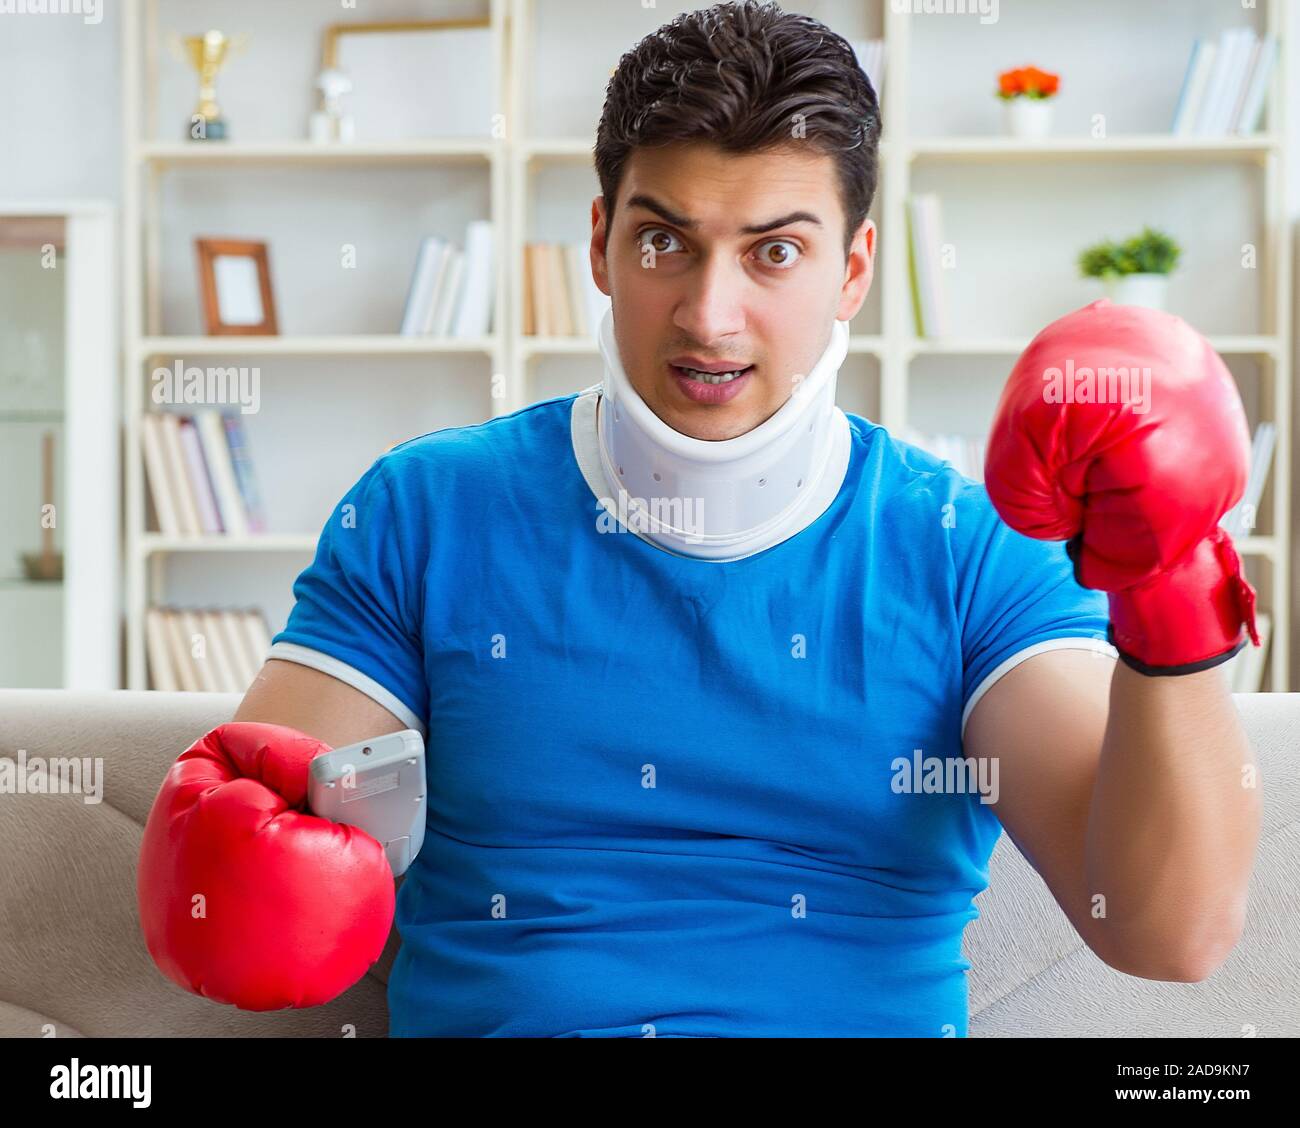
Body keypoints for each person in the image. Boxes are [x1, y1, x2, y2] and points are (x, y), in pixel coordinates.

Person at [137, 0, 1260, 1037]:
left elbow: (1166, 934)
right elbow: (247, 856)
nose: (709, 313)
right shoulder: (428, 509)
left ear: (854, 268)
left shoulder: (966, 552)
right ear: (600, 245)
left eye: (774, 251)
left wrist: (1168, 585)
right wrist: (230, 878)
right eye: (664, 240)